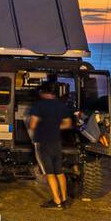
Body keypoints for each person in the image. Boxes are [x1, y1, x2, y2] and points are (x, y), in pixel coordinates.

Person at [27, 81, 77, 209]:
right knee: (59, 172)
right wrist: (55, 127)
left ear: (42, 92)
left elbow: (32, 125)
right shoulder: (61, 106)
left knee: (49, 173)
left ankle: (56, 201)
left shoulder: (38, 106)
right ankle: (65, 199)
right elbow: (67, 124)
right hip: (56, 142)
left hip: (43, 142)